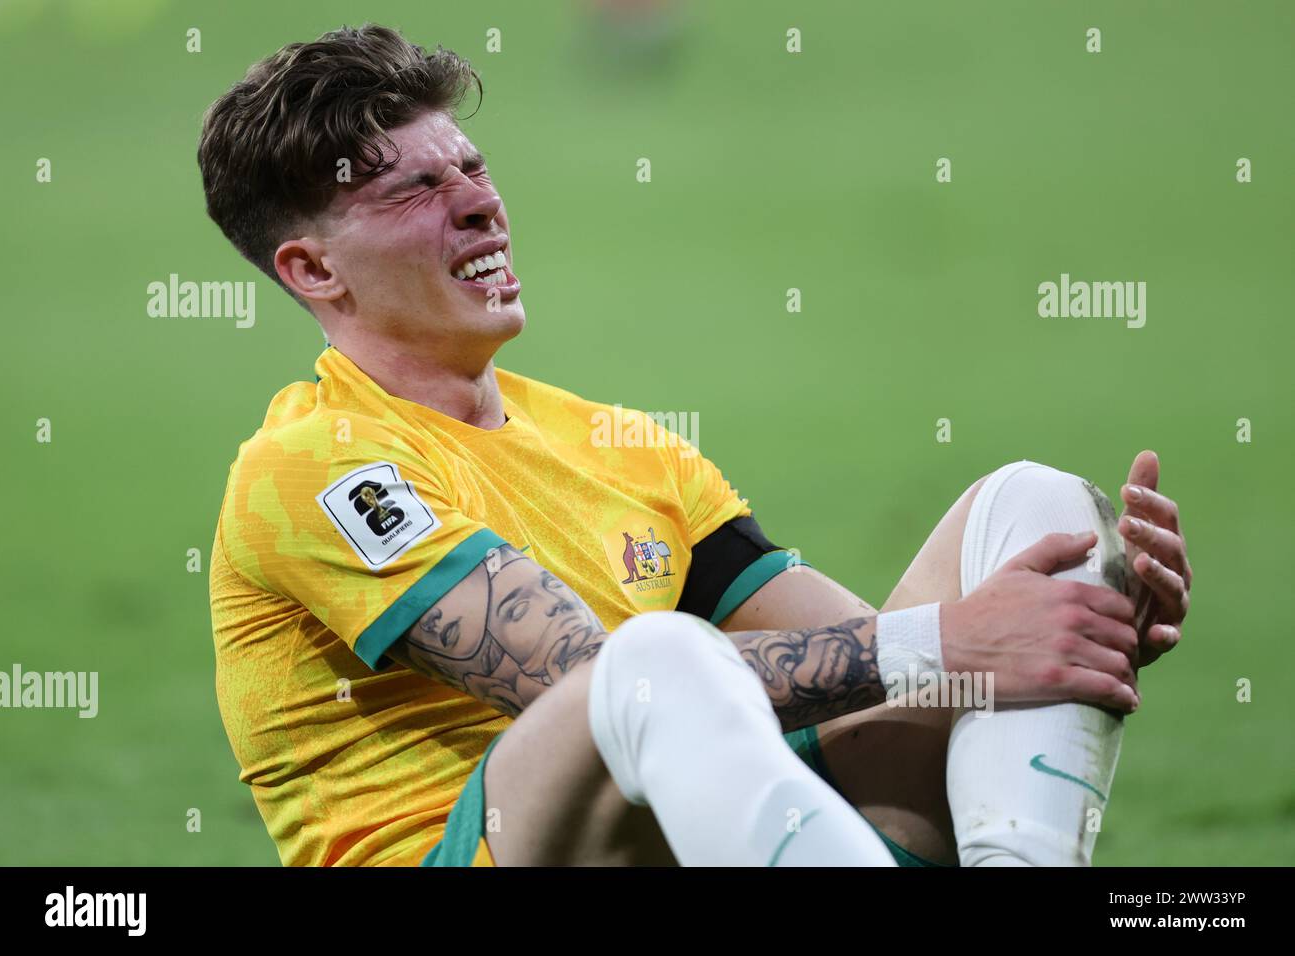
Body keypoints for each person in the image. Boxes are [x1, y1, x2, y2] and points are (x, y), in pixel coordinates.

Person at [202, 25, 1192, 866]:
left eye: (471, 165)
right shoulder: (317, 464)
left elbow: (875, 671)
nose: (476, 201)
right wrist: (959, 642)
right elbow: (585, 678)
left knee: (1036, 506)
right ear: (311, 268)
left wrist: (1067, 621)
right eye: (411, 192)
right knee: (653, 660)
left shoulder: (622, 445)